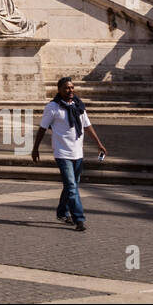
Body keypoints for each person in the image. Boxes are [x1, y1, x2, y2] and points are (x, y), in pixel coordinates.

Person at [31, 77, 107, 232]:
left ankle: (61, 212)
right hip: (62, 152)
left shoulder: (79, 106)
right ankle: (79, 219)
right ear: (59, 90)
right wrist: (35, 148)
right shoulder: (52, 107)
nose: (70, 90)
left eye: (72, 87)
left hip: (78, 152)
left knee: (71, 185)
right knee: (72, 186)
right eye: (67, 88)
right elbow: (42, 128)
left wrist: (98, 144)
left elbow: (87, 125)